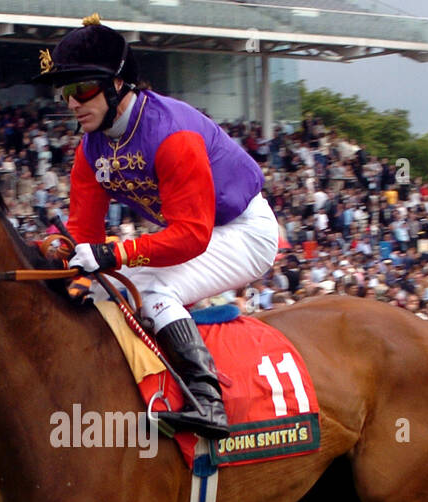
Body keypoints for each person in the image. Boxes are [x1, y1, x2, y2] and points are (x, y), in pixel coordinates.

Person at [35, 15, 277, 438]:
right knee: (103, 290)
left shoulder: (172, 134)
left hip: (243, 231)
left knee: (154, 290)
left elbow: (192, 236)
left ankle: (207, 400)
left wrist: (112, 254)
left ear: (117, 84)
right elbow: (83, 235)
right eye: (65, 92)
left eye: (82, 88)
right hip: (198, 232)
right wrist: (54, 256)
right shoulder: (90, 150)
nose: (72, 102)